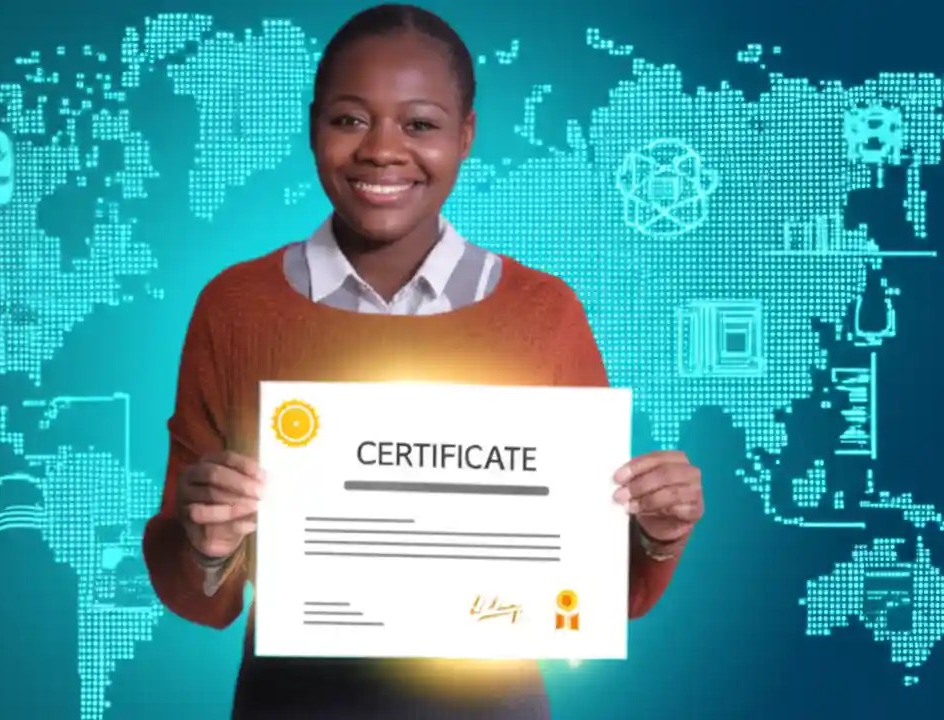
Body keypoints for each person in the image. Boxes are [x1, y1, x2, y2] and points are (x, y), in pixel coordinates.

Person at [143, 4, 705, 718]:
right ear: (313, 124)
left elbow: (600, 585)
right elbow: (197, 594)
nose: (382, 150)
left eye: (420, 124)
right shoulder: (235, 308)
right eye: (350, 120)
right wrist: (207, 543)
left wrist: (658, 531)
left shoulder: (544, 313)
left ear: (466, 135)